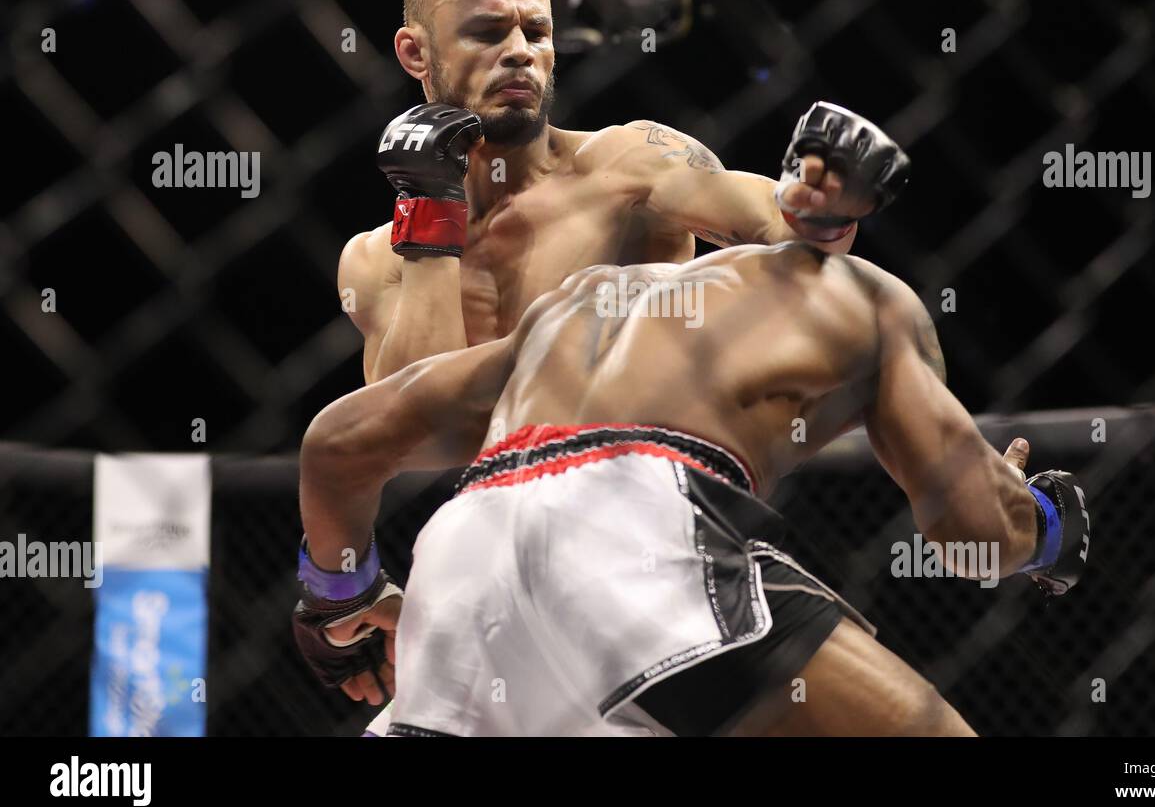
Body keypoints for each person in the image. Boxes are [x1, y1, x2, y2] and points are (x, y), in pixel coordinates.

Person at [293, 242, 1091, 735]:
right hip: (634, 524)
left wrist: (342, 598)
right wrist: (1047, 522)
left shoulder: (561, 312)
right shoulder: (866, 299)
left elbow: (338, 444)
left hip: (465, 552)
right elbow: (974, 533)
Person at [340, 0, 909, 384]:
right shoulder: (375, 260)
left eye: (536, 33)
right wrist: (432, 212)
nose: (519, 52)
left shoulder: (629, 164)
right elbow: (411, 426)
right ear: (416, 53)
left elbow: (780, 227)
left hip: (628, 490)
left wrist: (822, 203)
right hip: (473, 513)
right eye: (489, 32)